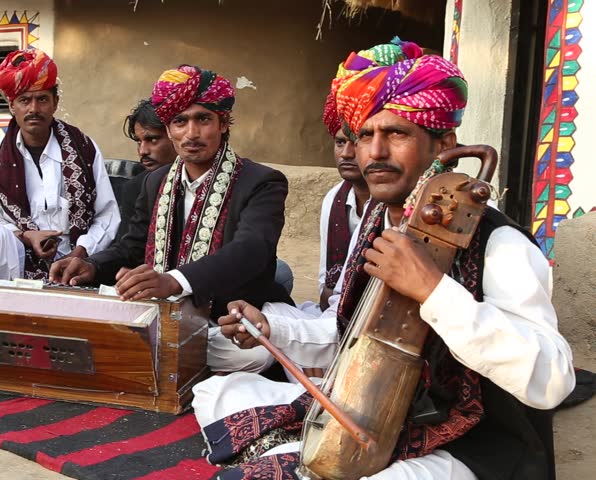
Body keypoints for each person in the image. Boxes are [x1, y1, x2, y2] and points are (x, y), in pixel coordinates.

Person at [193, 40, 575, 479]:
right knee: (218, 391)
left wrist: (432, 290)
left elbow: (554, 379)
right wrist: (269, 328)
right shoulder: (378, 221)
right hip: (380, 410)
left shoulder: (498, 241)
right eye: (364, 136)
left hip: (472, 444)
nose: (374, 154)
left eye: (396, 134)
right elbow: (351, 335)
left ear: (444, 145)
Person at [51, 65, 293, 373]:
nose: (191, 134)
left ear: (223, 123)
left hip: (228, 322)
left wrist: (173, 281)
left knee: (252, 355)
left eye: (203, 119)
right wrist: (92, 265)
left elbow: (251, 249)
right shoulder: (155, 182)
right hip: (164, 318)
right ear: (169, 129)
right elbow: (131, 247)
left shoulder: (262, 181)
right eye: (180, 121)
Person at [0, 48, 120, 281]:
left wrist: (82, 251)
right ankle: (8, 298)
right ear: (12, 106)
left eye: (42, 99)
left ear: (55, 103)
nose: (33, 109)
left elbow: (107, 214)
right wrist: (27, 235)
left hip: (77, 256)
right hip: (19, 254)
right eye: (24, 100)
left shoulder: (84, 148)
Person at [316, 94, 371, 310]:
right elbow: (325, 282)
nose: (346, 153)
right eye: (340, 142)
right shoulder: (333, 198)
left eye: (356, 143)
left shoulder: (393, 205)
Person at [117, 98, 177, 241]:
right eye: (139, 141)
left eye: (153, 140)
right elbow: (129, 249)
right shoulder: (135, 188)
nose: (142, 151)